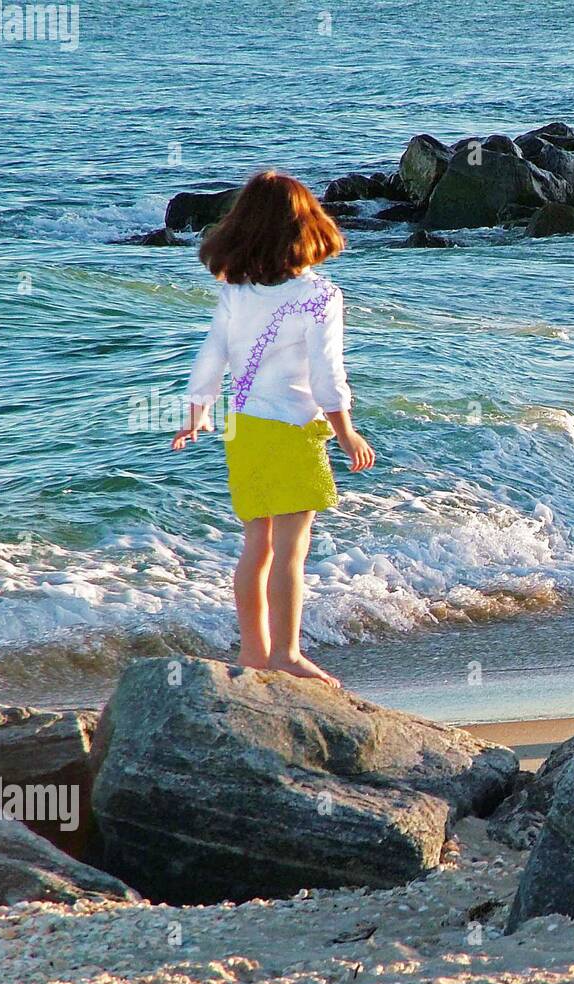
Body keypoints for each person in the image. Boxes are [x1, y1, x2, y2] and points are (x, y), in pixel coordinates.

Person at [172, 171, 375, 686]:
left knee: (255, 546)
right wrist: (345, 430)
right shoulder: (318, 295)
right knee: (291, 550)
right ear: (307, 227)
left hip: (242, 427)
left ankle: (254, 652)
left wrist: (198, 410)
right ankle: (285, 653)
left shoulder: (236, 290)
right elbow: (328, 372)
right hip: (289, 427)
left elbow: (212, 351)